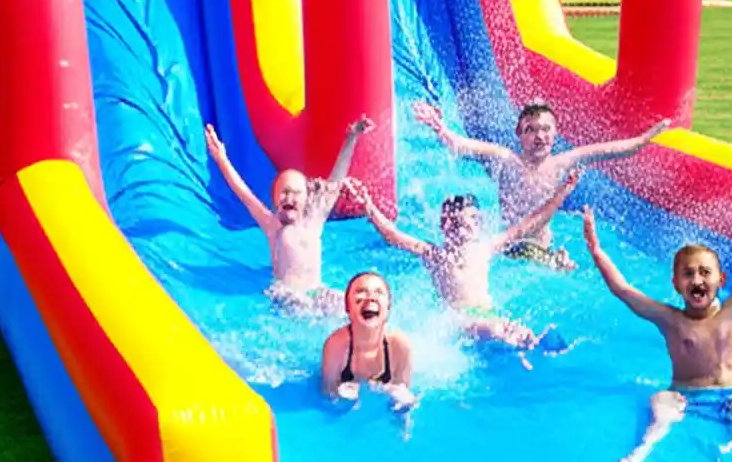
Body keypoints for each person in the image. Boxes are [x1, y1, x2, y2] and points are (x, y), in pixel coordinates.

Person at [583, 174, 732, 460]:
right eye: (688, 273)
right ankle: (643, 450)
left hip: (728, 397)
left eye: (705, 273)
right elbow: (622, 290)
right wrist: (597, 252)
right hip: (684, 397)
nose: (697, 279)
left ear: (721, 280)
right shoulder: (670, 319)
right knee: (660, 402)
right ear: (675, 283)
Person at [343, 170, 581, 369]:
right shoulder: (435, 254)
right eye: (457, 223)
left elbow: (530, 223)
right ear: (444, 226)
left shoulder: (485, 248)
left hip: (486, 313)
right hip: (456, 320)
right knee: (497, 329)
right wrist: (369, 207)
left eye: (473, 221)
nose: (466, 227)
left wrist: (563, 191)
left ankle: (534, 348)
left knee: (517, 330)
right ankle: (520, 348)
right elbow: (393, 236)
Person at [412, 99, 669, 271]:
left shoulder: (561, 163)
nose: (540, 136)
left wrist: (644, 140)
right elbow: (462, 145)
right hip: (509, 250)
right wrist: (441, 129)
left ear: (556, 133)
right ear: (519, 134)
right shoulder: (506, 160)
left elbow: (608, 151)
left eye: (546, 129)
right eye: (531, 130)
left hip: (543, 249)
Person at [205, 116, 374, 315]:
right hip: (286, 293)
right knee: (298, 304)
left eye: (296, 193)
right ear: (275, 201)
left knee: (347, 303)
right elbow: (244, 193)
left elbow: (335, 182)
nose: (290, 197)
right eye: (284, 192)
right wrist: (222, 159)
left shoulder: (315, 222)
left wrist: (351, 138)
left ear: (307, 199)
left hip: (315, 290)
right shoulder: (273, 227)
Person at [321, 271, 418, 412]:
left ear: (388, 306)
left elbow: (402, 398)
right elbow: (327, 394)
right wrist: (340, 398)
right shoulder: (336, 346)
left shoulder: (400, 347)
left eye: (379, 292)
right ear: (347, 307)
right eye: (361, 292)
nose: (371, 298)